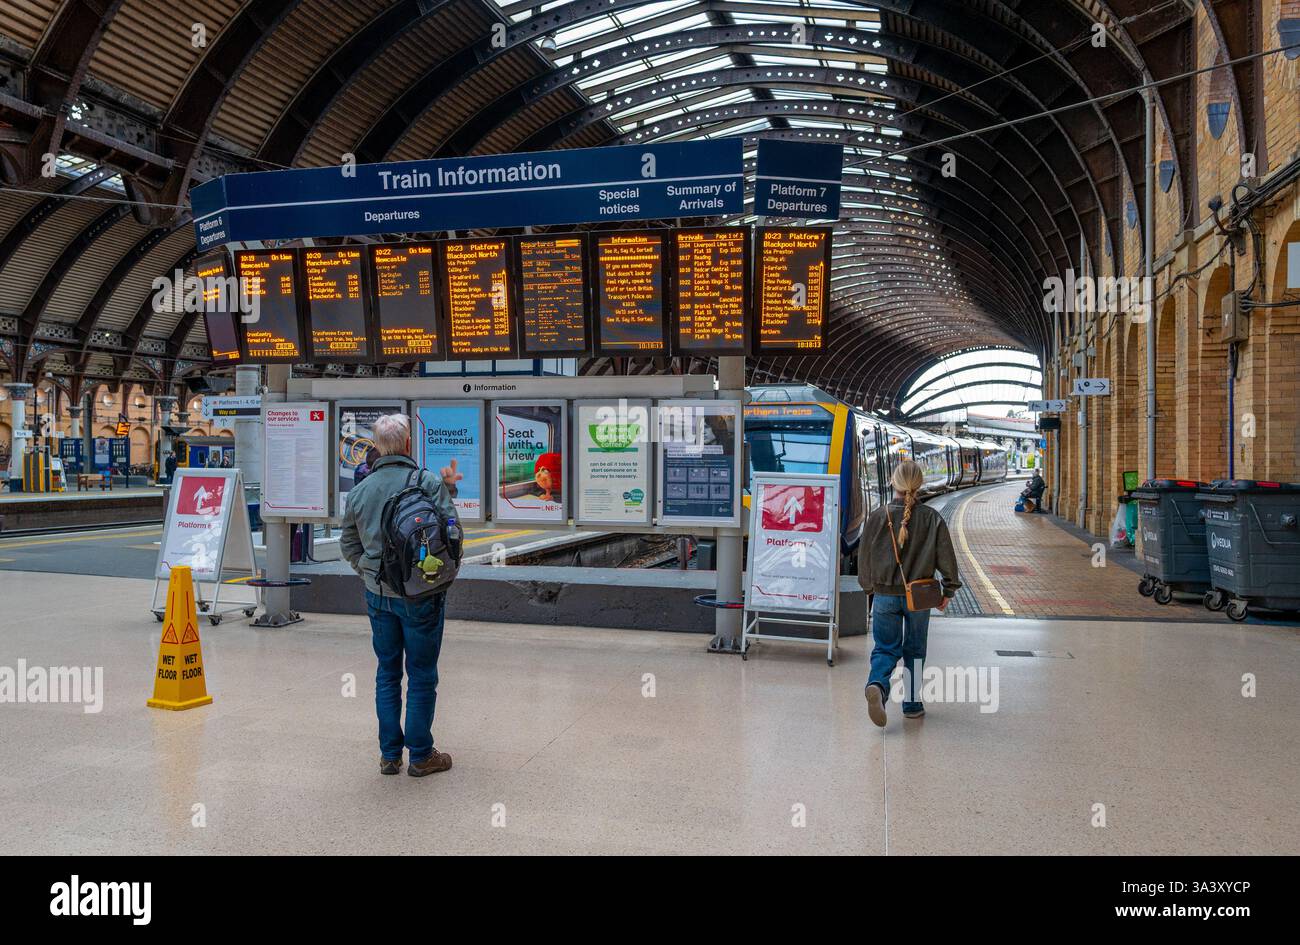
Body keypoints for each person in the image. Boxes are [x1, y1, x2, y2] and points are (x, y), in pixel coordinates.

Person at [340, 414, 464, 778]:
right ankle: (422, 755)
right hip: (422, 592)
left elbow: (348, 542)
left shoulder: (361, 489)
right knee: (422, 673)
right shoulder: (425, 481)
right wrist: (444, 574)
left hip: (378, 594)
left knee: (387, 672)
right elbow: (452, 531)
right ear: (408, 444)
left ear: (377, 447)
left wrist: (367, 568)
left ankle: (390, 755)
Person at [858, 460, 962, 725]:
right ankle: (912, 704)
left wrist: (870, 587)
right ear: (920, 484)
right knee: (915, 649)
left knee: (885, 648)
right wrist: (948, 590)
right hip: (919, 597)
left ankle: (878, 687)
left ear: (893, 482)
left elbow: (864, 558)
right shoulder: (931, 518)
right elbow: (946, 558)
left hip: (884, 596)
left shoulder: (878, 516)